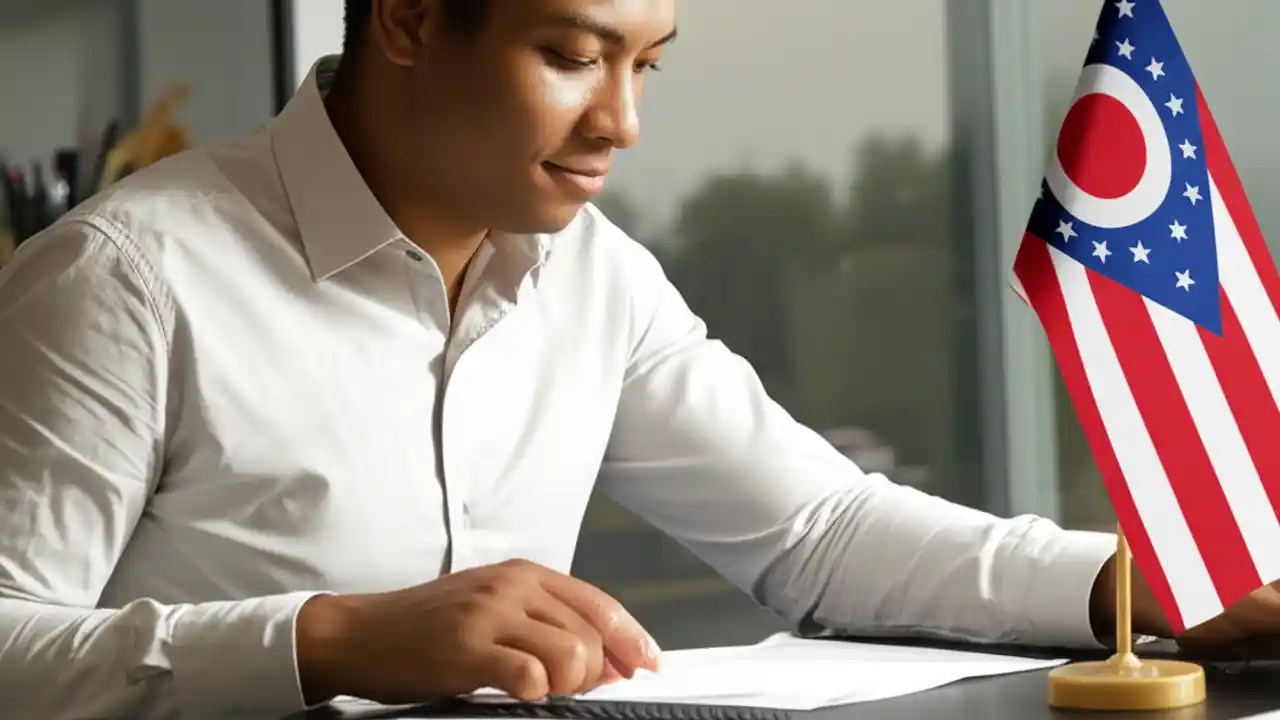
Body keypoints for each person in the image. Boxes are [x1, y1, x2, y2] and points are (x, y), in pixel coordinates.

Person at [2, 0, 1280, 717]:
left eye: (646, 64)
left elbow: (819, 532)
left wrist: (1154, 583)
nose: (619, 121)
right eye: (571, 57)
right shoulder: (127, 275)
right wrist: (328, 639)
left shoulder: (593, 274)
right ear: (408, 19)